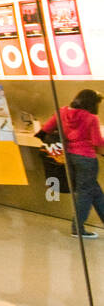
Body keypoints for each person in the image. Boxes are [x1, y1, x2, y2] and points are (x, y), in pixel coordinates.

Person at [41, 90, 104, 239]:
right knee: (85, 193)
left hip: (68, 157)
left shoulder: (62, 111)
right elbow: (97, 142)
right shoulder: (91, 118)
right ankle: (77, 228)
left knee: (94, 191)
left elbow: (44, 130)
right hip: (87, 159)